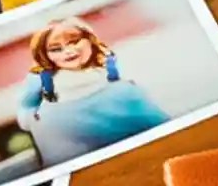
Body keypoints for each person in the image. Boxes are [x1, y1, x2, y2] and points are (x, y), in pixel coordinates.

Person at [16, 18, 170, 169]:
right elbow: (26, 112)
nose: (68, 51)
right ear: (45, 54)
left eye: (74, 41)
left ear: (89, 40)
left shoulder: (119, 84)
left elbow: (161, 126)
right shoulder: (42, 84)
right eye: (56, 49)